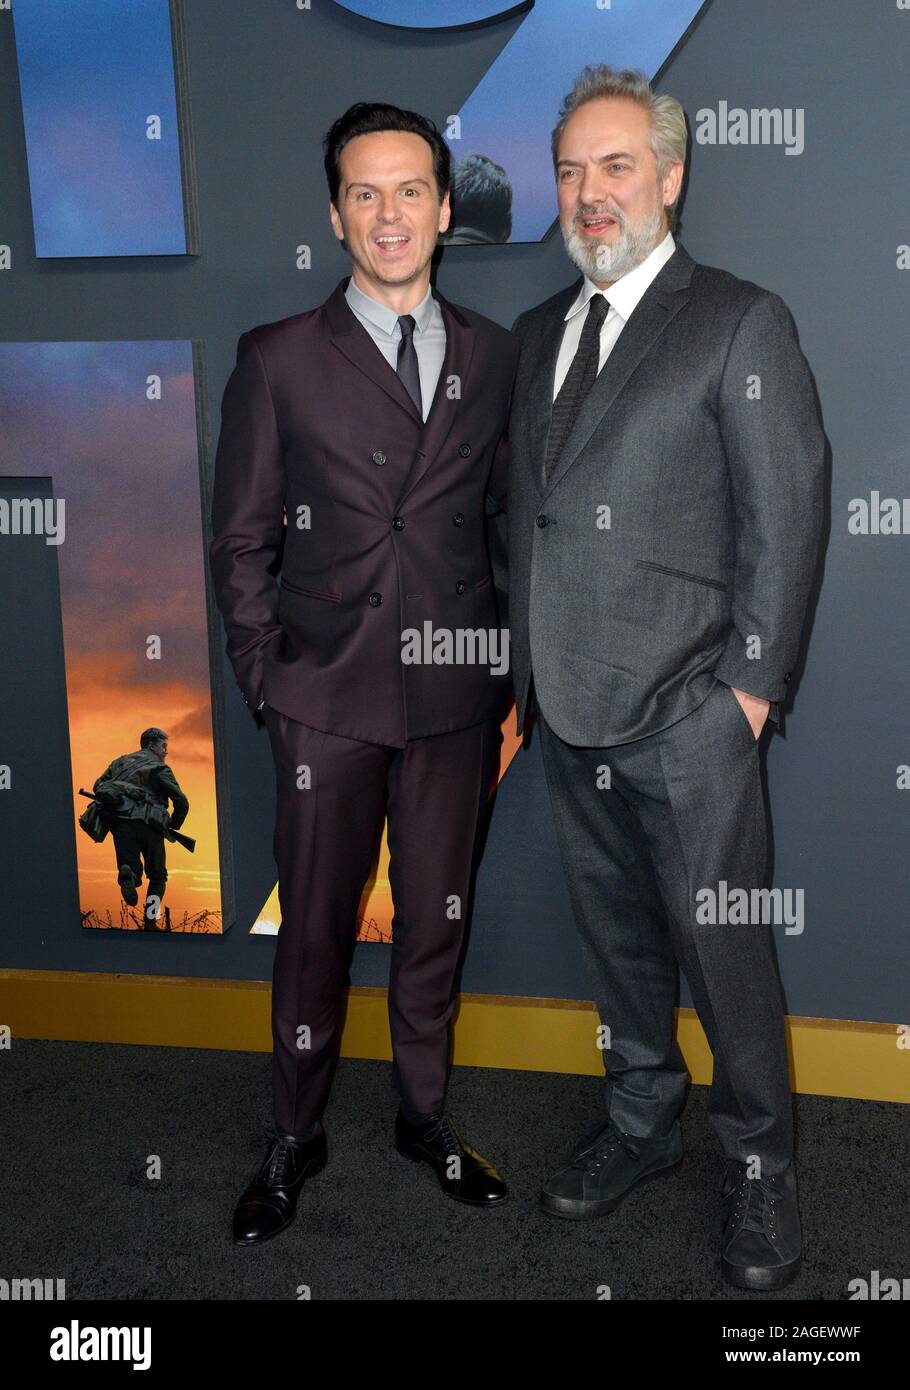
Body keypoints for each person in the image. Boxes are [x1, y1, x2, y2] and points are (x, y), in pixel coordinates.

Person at [506, 65, 825, 1291]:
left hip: (690, 720)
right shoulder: (541, 333)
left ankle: (761, 1177)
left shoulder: (738, 320)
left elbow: (786, 518)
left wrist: (743, 699)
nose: (592, 196)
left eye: (617, 166)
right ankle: (639, 1127)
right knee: (620, 952)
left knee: (727, 966)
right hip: (566, 718)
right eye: (573, 172)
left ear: (672, 177)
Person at [209, 101, 518, 1246]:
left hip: (452, 704)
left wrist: (504, 676)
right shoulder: (278, 358)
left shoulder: (495, 356)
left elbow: (502, 528)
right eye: (363, 192)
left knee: (435, 922)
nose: (389, 214)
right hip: (321, 702)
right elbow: (242, 539)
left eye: (410, 191)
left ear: (444, 209)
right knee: (315, 932)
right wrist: (268, 683)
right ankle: (295, 1132)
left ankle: (421, 1117)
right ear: (335, 214)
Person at [94, 727, 189, 932]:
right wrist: (174, 823)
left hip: (120, 824)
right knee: (157, 876)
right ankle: (150, 921)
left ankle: (128, 873)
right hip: (150, 825)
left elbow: (98, 785)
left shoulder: (119, 762)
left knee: (129, 864)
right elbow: (181, 800)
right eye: (163, 746)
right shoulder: (159, 767)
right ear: (151, 744)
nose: (166, 751)